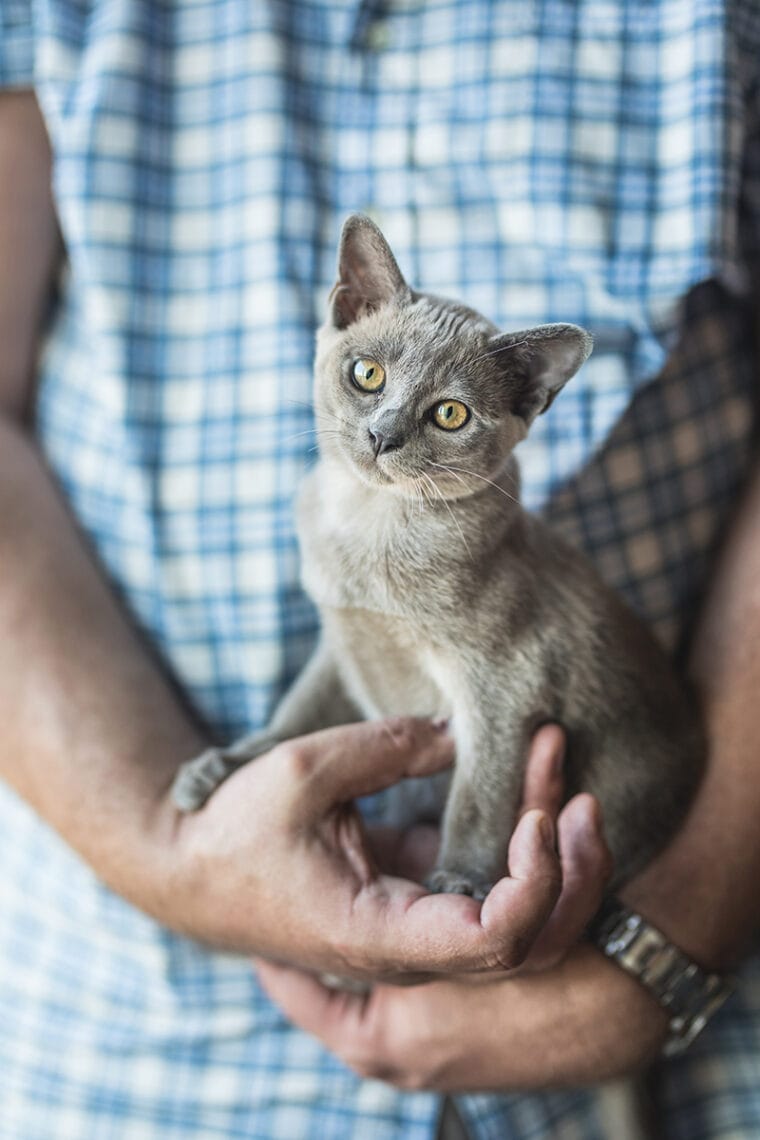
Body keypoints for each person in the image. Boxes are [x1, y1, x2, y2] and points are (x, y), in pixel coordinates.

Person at [0, 2, 759, 1138]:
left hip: (660, 893)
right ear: (348, 311)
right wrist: (188, 828)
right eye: (367, 378)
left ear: (520, 408)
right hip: (146, 1024)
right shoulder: (326, 504)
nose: (387, 430)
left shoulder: (469, 535)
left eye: (448, 414)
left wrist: (636, 940)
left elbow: (498, 698)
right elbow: (353, 652)